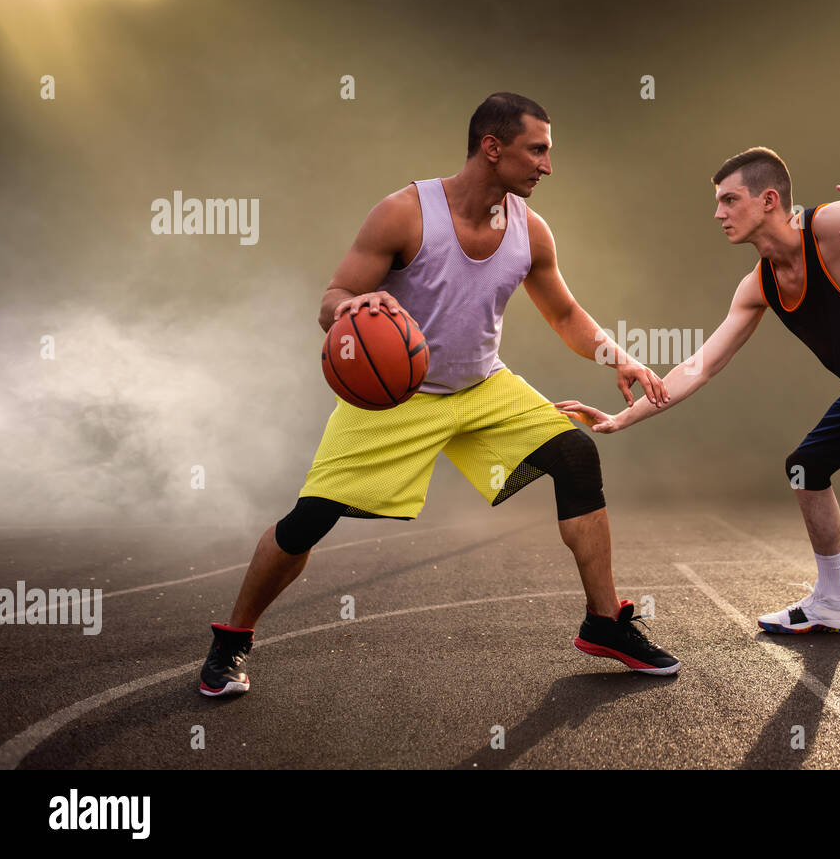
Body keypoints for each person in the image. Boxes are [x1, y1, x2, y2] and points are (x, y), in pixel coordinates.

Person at [199, 93, 681, 697]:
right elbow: (334, 296)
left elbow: (564, 314)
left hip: (482, 386)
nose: (547, 165)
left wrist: (620, 356)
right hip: (399, 396)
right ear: (492, 147)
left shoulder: (529, 230)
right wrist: (350, 306)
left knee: (576, 457)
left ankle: (604, 623)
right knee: (309, 520)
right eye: (537, 150)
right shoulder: (404, 214)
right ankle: (232, 639)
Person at [557, 147, 840, 722]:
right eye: (718, 202)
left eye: (730, 200)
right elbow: (698, 367)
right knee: (807, 466)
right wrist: (621, 417)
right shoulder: (759, 286)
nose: (719, 213)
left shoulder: (831, 227)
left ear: (768, 200)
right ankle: (832, 602)